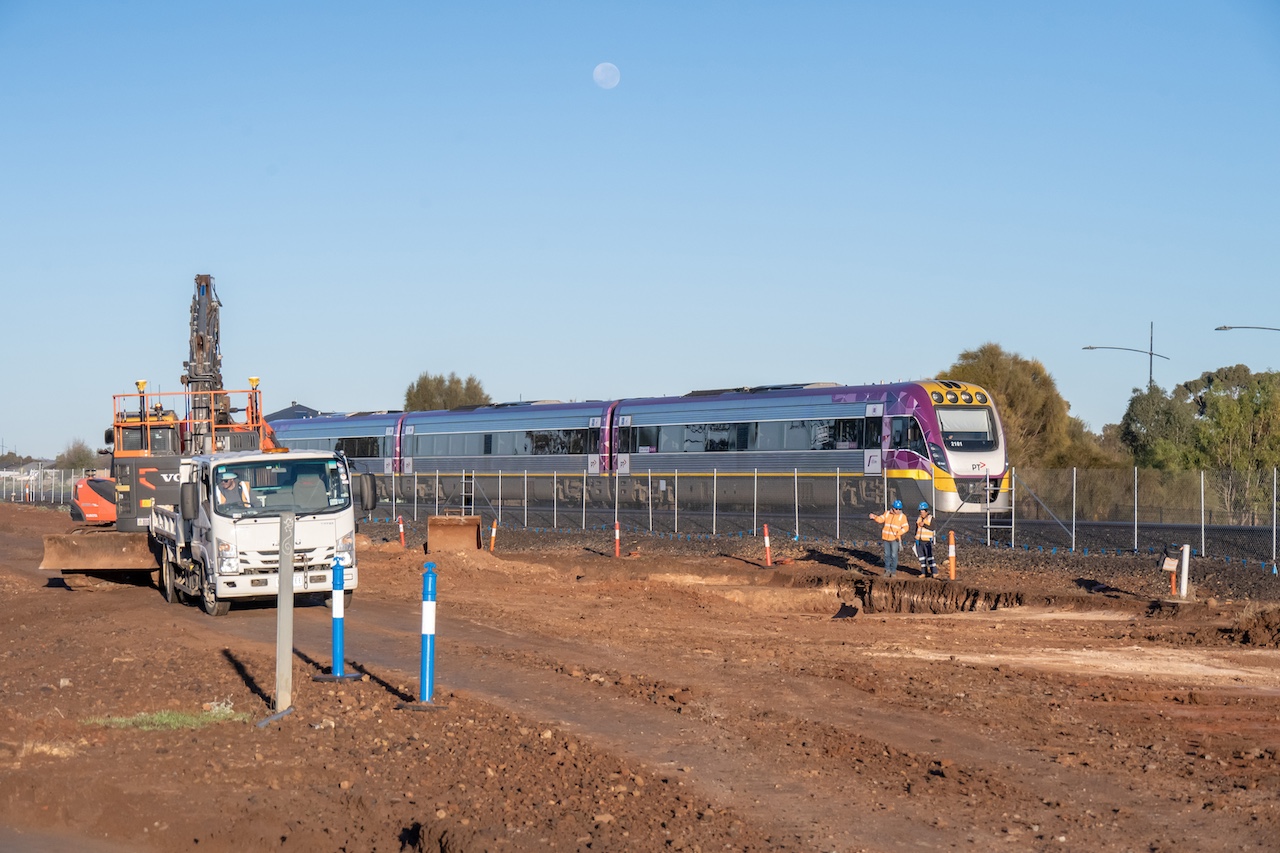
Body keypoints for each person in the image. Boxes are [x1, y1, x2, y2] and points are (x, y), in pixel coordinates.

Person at [869, 499, 909, 577]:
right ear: (893, 508)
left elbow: (906, 527)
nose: (898, 510)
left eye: (899, 509)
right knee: (887, 555)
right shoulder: (887, 513)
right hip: (886, 538)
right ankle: (887, 570)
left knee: (894, 555)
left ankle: (893, 572)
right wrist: (875, 517)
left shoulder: (902, 517)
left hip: (895, 539)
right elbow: (881, 519)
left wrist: (899, 533)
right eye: (896, 509)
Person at [915, 501, 938, 578]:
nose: (921, 512)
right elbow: (916, 529)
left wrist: (924, 525)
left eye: (922, 511)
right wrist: (916, 538)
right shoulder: (918, 518)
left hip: (927, 541)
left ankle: (934, 572)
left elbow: (933, 528)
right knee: (921, 557)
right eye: (920, 511)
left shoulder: (931, 518)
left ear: (926, 511)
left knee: (930, 556)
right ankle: (923, 572)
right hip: (919, 540)